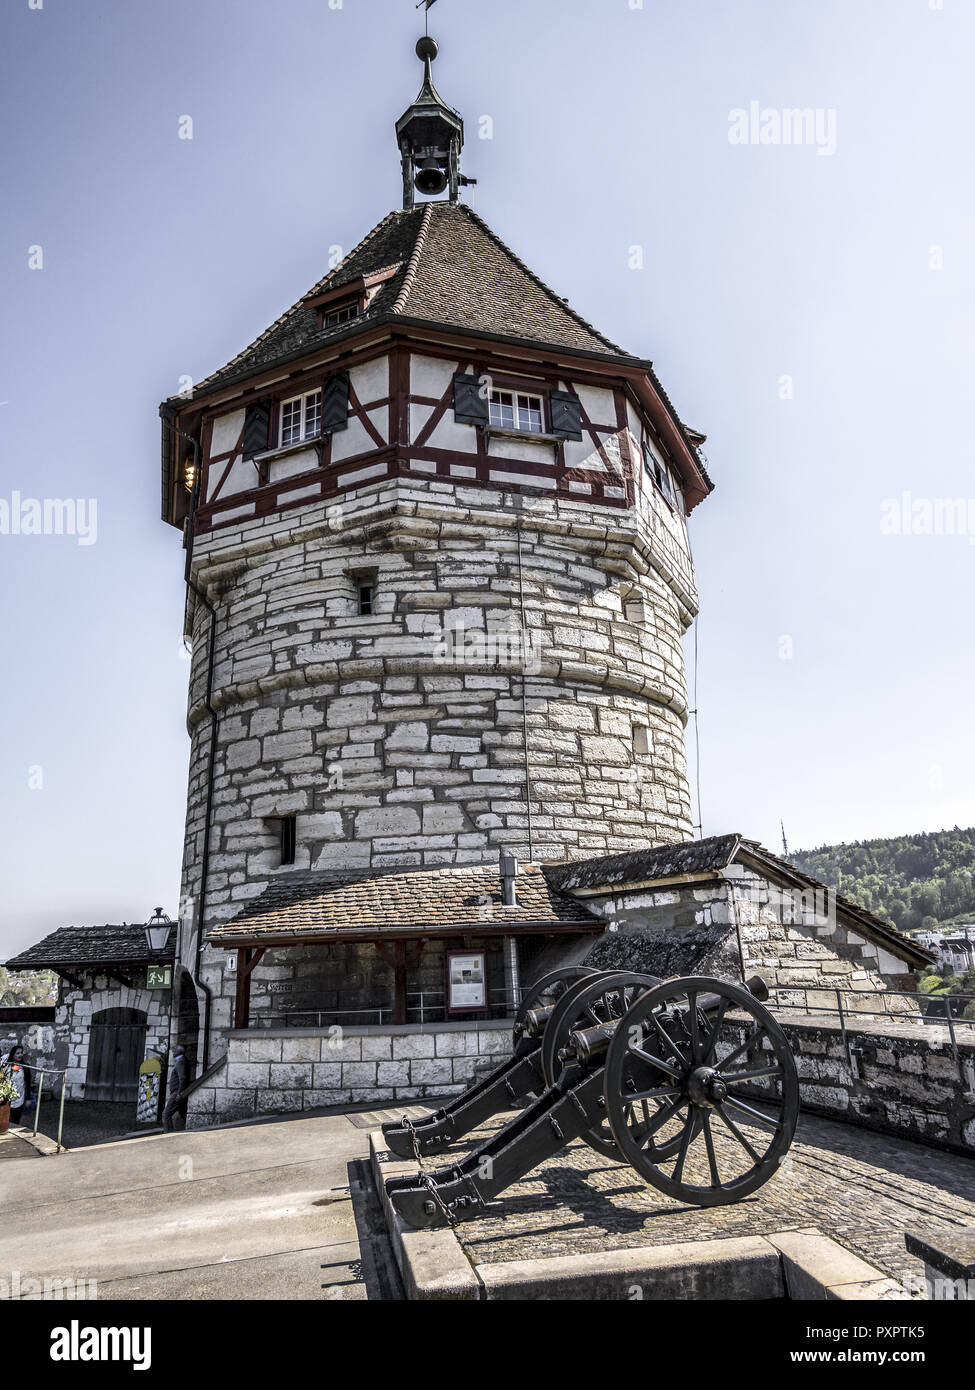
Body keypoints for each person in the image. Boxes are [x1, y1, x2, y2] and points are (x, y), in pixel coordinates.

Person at [162, 1045, 188, 1132]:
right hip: (177, 1092)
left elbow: (182, 1078)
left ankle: (168, 1135)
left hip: (177, 1092)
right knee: (182, 1114)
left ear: (180, 1051)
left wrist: (179, 1093)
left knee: (166, 1114)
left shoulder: (181, 1062)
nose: (173, 1051)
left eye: (175, 1049)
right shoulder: (180, 1061)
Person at [5, 1045, 32, 1125]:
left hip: (20, 1099)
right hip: (7, 1099)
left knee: (16, 1121)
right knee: (6, 1120)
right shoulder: (7, 1066)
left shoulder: (25, 1067)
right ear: (13, 1055)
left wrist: (28, 1099)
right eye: (17, 1053)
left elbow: (28, 1083)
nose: (20, 1055)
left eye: (21, 1053)